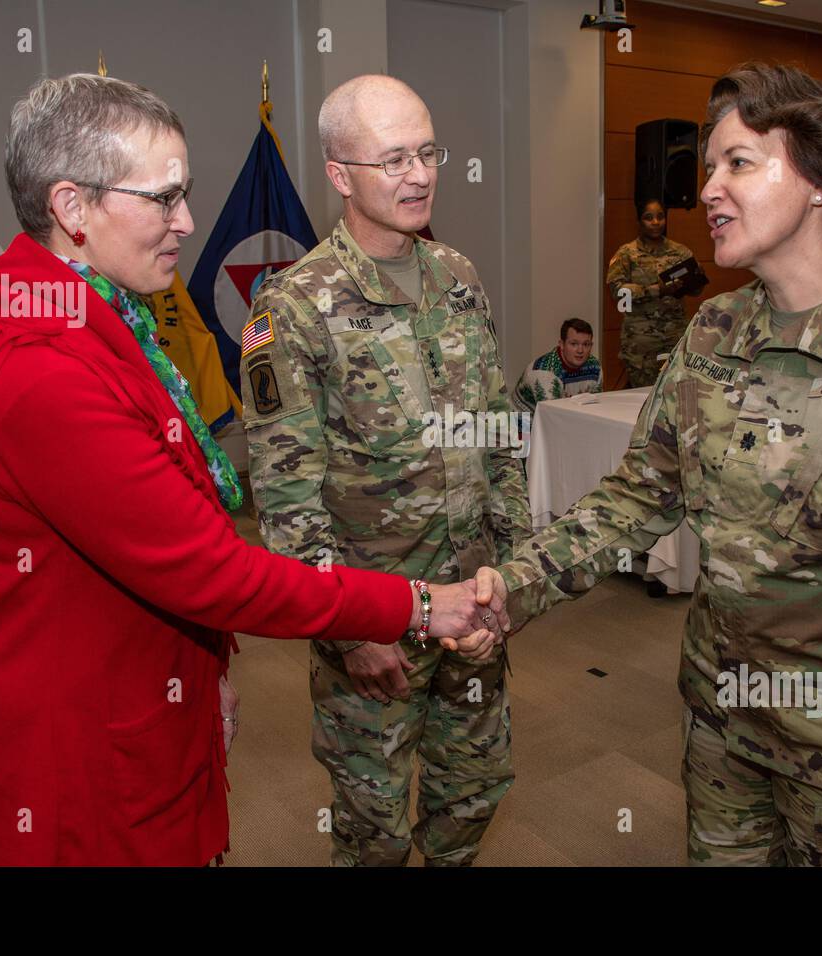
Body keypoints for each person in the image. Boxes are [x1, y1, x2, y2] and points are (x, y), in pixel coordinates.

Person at [0, 74, 499, 867]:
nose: (187, 221)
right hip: (65, 774)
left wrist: (204, 673)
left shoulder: (93, 318)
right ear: (72, 207)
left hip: (137, 703)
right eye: (163, 198)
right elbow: (211, 567)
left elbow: (161, 538)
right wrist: (416, 607)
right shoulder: (45, 368)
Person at [473, 62, 822, 865]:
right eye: (708, 167)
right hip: (722, 722)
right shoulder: (711, 331)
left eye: (738, 162)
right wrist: (514, 585)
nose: (707, 189)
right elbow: (637, 497)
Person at [242, 75, 531, 867]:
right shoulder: (294, 307)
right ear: (340, 174)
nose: (419, 174)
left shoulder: (459, 277)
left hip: (473, 608)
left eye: (428, 152)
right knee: (373, 830)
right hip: (377, 625)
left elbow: (500, 432)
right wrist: (350, 632)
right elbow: (287, 498)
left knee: (473, 792)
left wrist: (509, 578)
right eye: (394, 158)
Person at [606, 198, 703, 387]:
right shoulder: (626, 254)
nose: (656, 222)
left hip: (675, 336)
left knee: (674, 394)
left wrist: (696, 279)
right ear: (639, 221)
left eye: (660, 217)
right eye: (648, 218)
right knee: (641, 398)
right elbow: (618, 293)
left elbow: (696, 291)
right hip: (641, 343)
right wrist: (656, 289)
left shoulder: (680, 252)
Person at [511, 317, 603, 438]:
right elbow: (553, 418)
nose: (580, 350)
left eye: (586, 344)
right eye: (574, 344)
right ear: (562, 345)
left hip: (565, 423)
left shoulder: (595, 367)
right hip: (521, 429)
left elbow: (595, 406)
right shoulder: (544, 372)